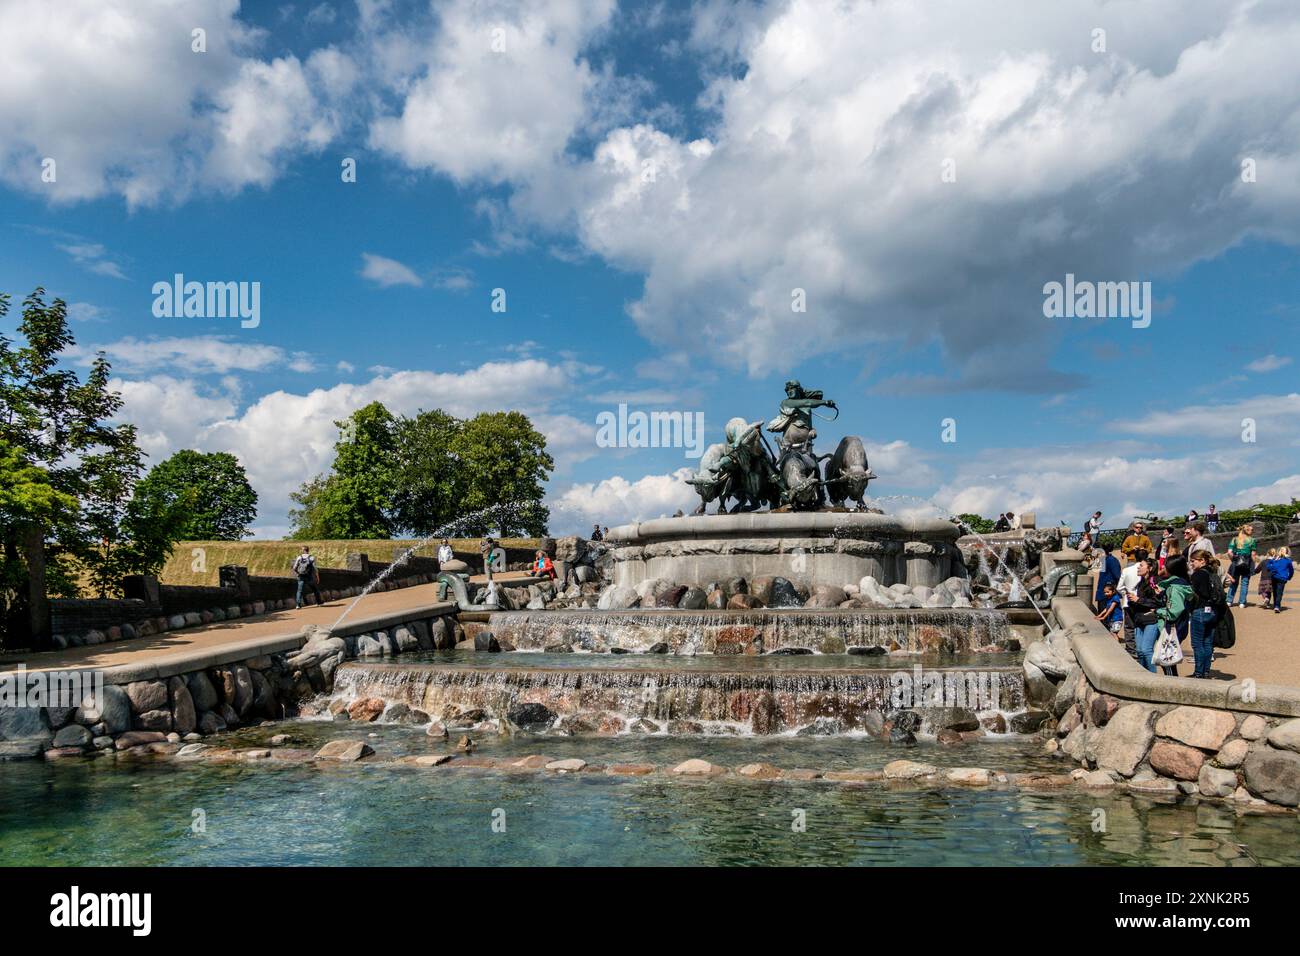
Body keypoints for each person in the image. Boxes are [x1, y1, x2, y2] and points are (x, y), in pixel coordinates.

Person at [1153, 555, 1195, 676]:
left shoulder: (1175, 587)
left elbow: (1175, 610)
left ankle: (1171, 684)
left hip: (1171, 627)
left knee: (1167, 660)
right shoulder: (1179, 584)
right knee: (1168, 659)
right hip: (1176, 626)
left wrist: (1157, 611)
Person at [1187, 549, 1223, 678]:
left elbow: (1192, 594)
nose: (1191, 564)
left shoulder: (1198, 574)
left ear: (1202, 561)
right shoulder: (1213, 572)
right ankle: (1206, 671)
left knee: (1197, 644)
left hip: (1200, 610)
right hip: (1212, 611)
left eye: (1193, 561)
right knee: (1208, 643)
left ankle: (1198, 672)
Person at [1129, 557, 1163, 670]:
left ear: (1150, 568)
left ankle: (1153, 679)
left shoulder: (1155, 581)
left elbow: (1157, 602)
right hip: (1139, 619)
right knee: (1139, 651)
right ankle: (1143, 675)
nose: (1138, 567)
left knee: (1146, 650)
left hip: (1151, 620)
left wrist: (1138, 600)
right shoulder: (1141, 582)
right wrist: (1132, 601)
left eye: (1141, 565)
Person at [1117, 548, 1148, 660]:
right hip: (1144, 601)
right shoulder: (1148, 568)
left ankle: (1131, 649)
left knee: (1129, 627)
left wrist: (1126, 594)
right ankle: (1142, 648)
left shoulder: (1127, 570)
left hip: (1129, 601)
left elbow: (1119, 587)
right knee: (1142, 625)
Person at [1225, 524, 1256, 608]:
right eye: (1251, 530)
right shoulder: (1252, 540)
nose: (1252, 531)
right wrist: (1253, 565)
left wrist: (1233, 560)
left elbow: (1229, 552)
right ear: (1247, 531)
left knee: (1233, 582)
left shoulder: (1234, 539)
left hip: (1236, 562)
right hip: (1247, 562)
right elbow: (1253, 554)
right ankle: (1242, 602)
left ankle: (1229, 601)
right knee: (1244, 583)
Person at [1094, 542, 1121, 610]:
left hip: (1108, 594)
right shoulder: (1104, 560)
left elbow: (1117, 576)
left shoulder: (1111, 560)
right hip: (1103, 594)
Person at [1266, 547, 1293, 613]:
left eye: (1282, 550)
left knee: (1277, 592)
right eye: (1281, 550)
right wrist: (1289, 577)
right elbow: (1268, 566)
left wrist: (1289, 577)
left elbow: (1291, 571)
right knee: (1277, 592)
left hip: (1279, 578)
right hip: (1278, 577)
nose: (1281, 551)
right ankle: (1276, 606)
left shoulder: (1284, 560)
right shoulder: (1279, 559)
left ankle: (1276, 605)